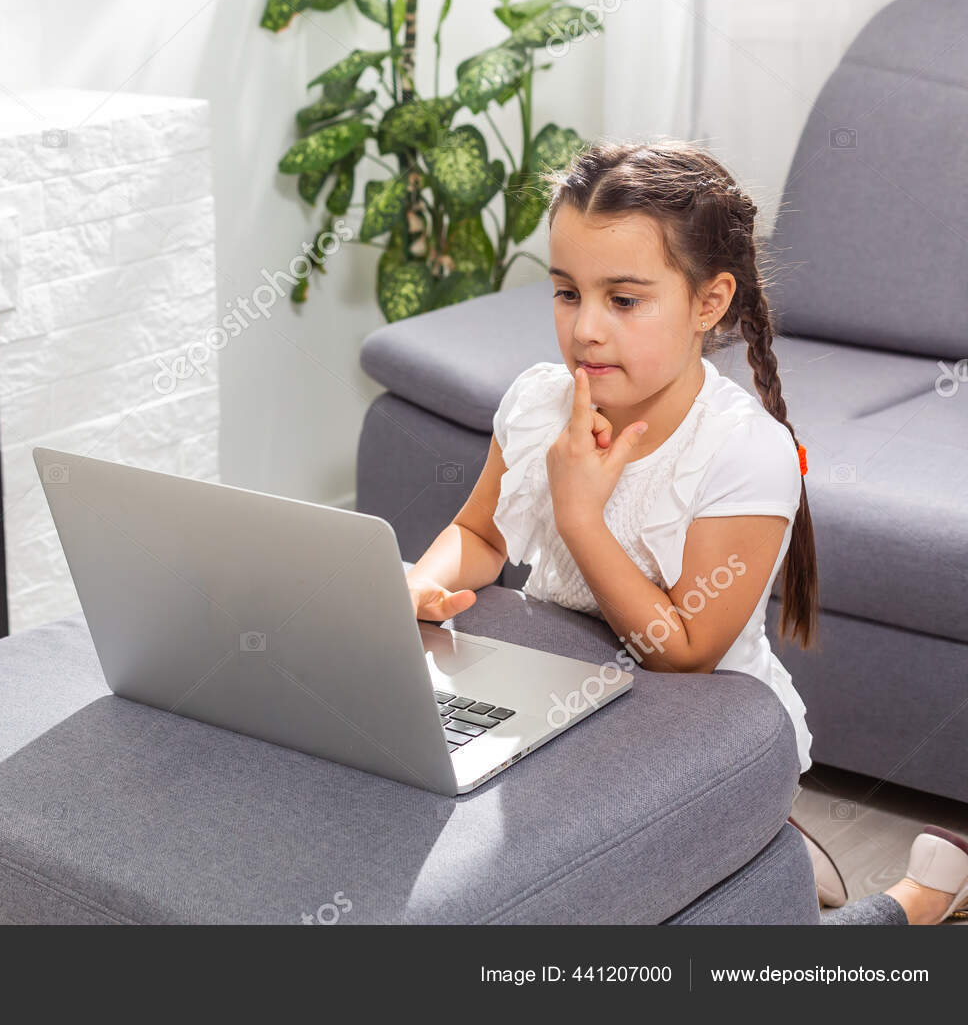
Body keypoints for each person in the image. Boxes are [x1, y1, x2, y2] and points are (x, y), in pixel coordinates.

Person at [404, 139, 968, 925]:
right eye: (567, 293)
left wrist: (578, 513)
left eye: (624, 300)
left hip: (691, 713)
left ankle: (909, 901)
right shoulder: (540, 403)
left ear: (709, 302)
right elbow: (480, 532)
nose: (585, 329)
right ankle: (790, 876)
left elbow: (685, 649)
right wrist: (422, 579)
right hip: (565, 688)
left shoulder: (744, 452)